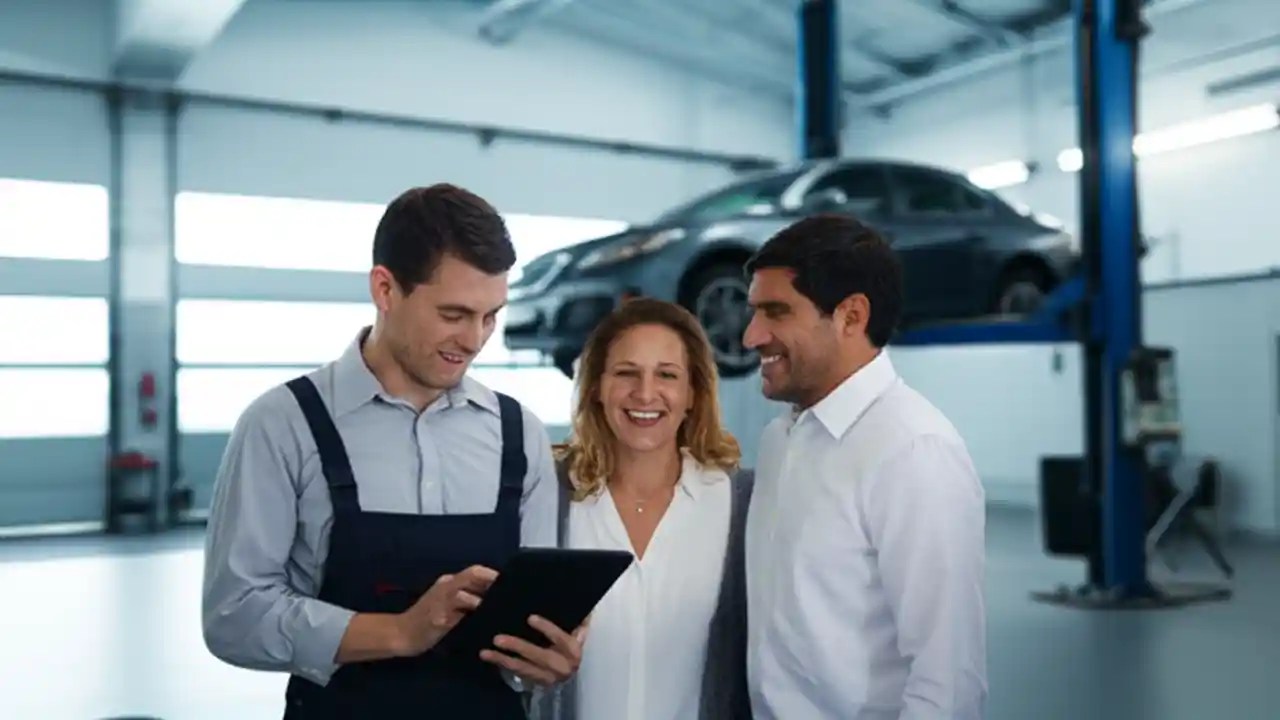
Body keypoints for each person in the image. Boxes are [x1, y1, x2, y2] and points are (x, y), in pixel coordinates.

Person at [201, 184, 585, 719]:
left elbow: (524, 640)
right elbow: (232, 616)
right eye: (453, 314)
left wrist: (542, 658)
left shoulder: (520, 434)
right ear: (385, 289)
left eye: (491, 315)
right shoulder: (282, 424)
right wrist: (399, 631)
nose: (475, 339)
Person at [740, 214, 988, 720]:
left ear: (851, 316)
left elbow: (949, 678)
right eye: (753, 312)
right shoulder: (780, 440)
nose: (751, 336)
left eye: (775, 312)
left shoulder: (913, 451)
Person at [529, 297, 753, 720]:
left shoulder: (741, 503)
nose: (645, 393)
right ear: (596, 387)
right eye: (626, 373)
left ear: (692, 393)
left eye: (666, 375)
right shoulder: (549, 493)